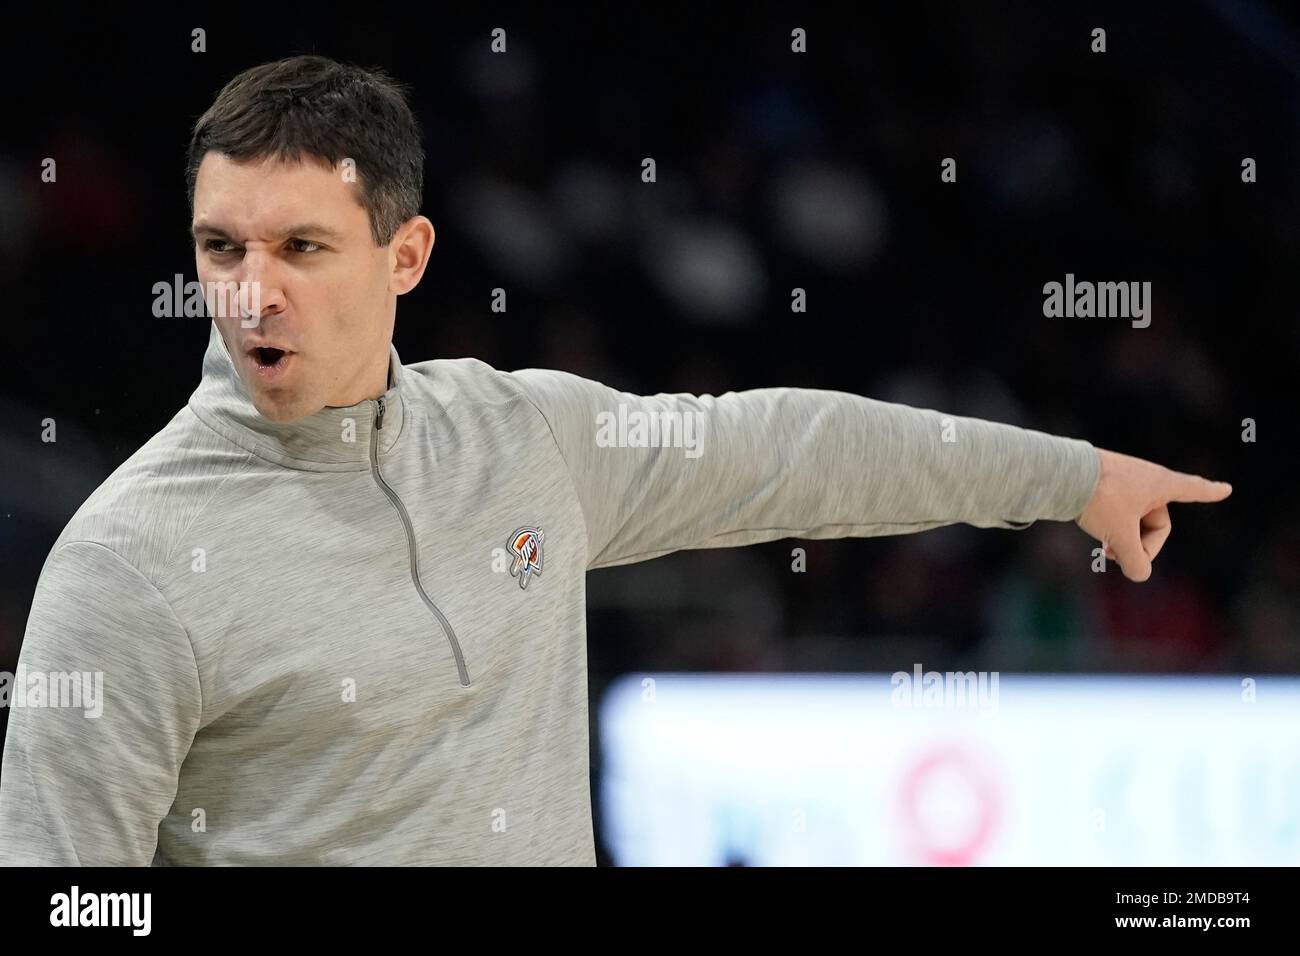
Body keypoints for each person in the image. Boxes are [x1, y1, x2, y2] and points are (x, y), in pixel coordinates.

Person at [0, 54, 1232, 865]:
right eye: (222, 247)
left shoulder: (526, 436)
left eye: (302, 248)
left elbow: (790, 450)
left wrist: (1069, 475)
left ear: (407, 256)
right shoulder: (131, 562)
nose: (251, 292)